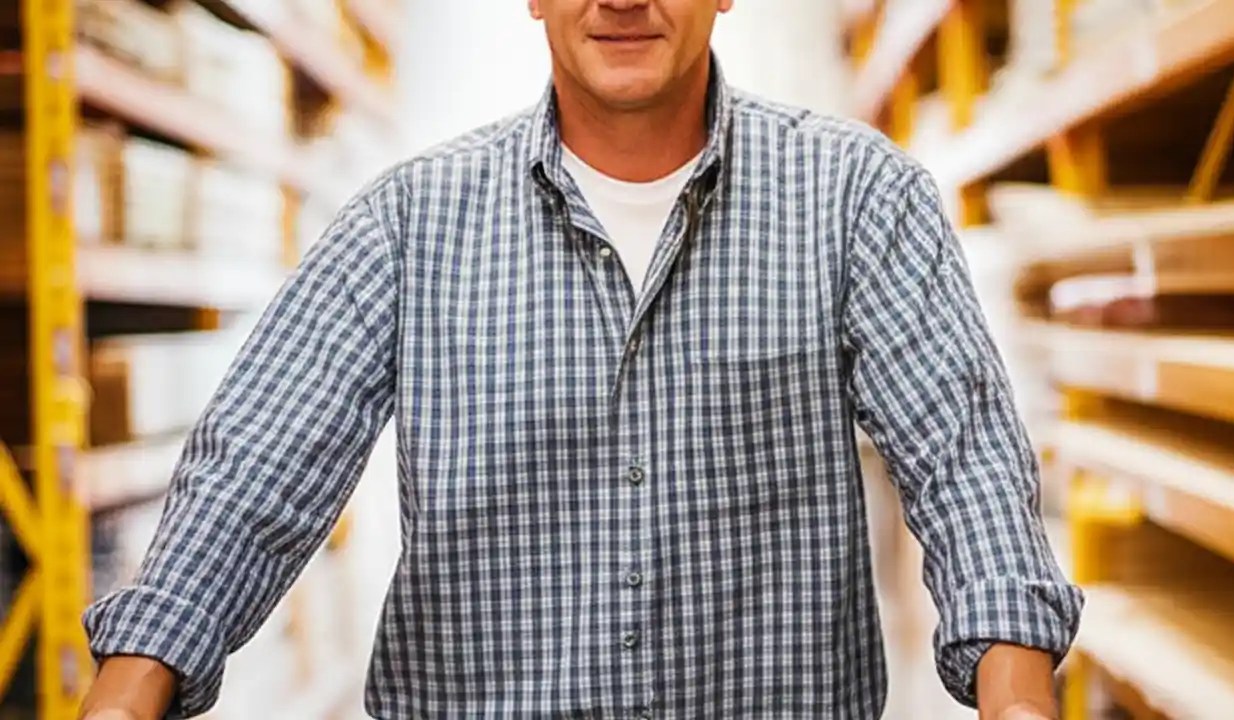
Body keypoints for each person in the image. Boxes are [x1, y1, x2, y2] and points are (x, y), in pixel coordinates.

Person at [79, 1, 1083, 718]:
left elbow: (963, 460)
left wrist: (1017, 696)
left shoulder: (857, 200)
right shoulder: (406, 226)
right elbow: (256, 469)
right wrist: (131, 689)